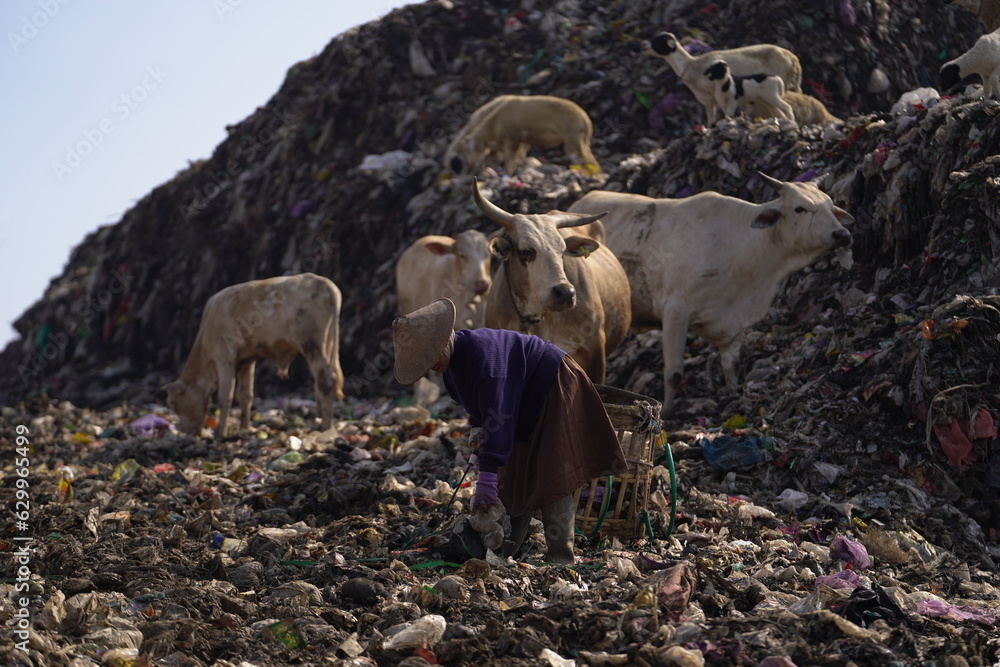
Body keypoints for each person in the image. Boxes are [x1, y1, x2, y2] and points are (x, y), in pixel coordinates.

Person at [392, 297, 627, 565]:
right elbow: (481, 409)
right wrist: (477, 430)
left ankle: (562, 557)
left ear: (445, 342)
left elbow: (498, 413)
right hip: (521, 401)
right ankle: (504, 552)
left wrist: (487, 476)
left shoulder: (483, 357)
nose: (432, 366)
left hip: (553, 383)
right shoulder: (452, 369)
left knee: (551, 470)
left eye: (432, 358)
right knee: (514, 475)